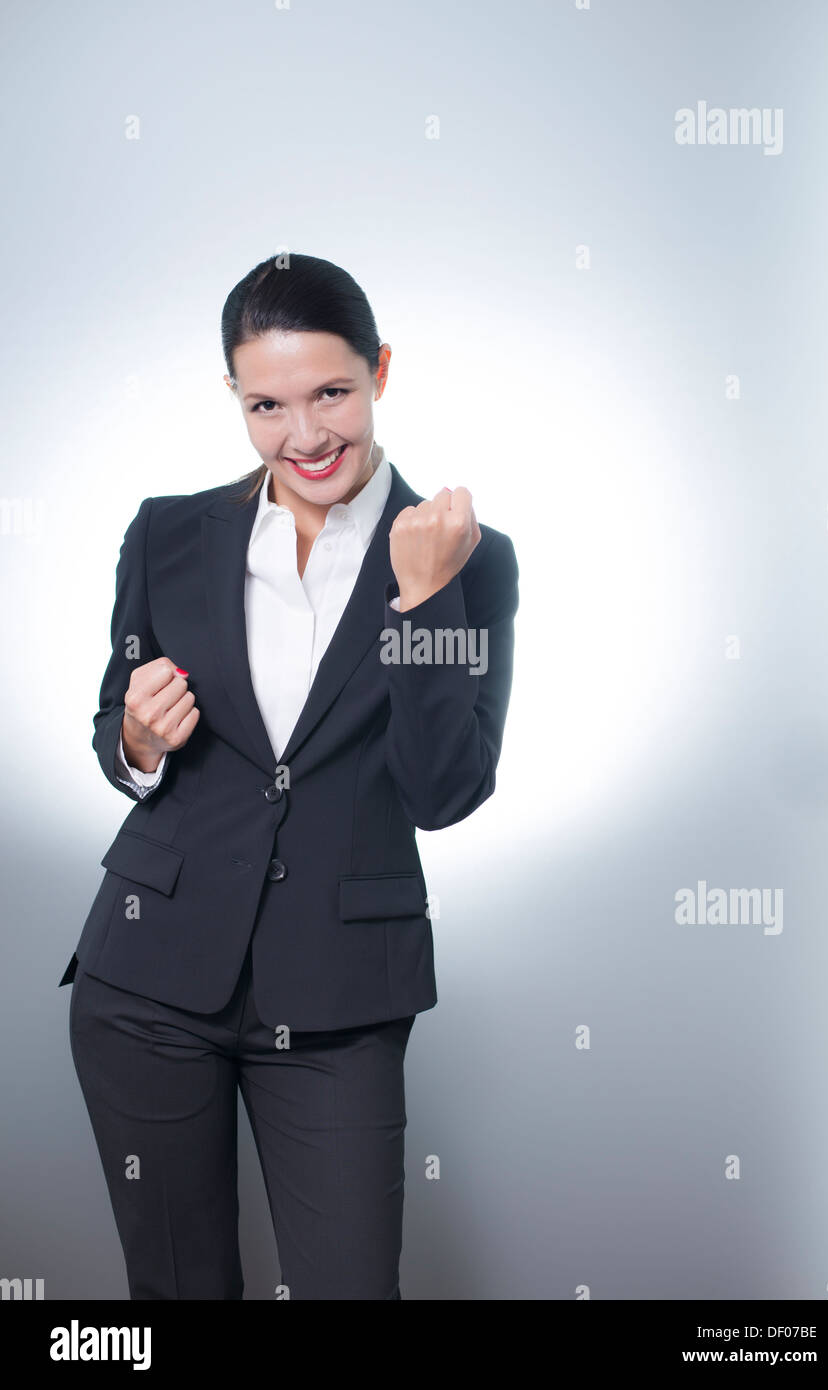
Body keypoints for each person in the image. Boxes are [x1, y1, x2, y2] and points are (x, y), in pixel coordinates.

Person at [61, 251, 519, 1300]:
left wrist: (419, 604)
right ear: (234, 394)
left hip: (340, 993)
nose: (304, 436)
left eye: (331, 393)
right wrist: (136, 740)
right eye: (266, 403)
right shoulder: (169, 533)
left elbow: (445, 788)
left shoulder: (467, 558)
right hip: (147, 978)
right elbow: (113, 728)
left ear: (381, 371)